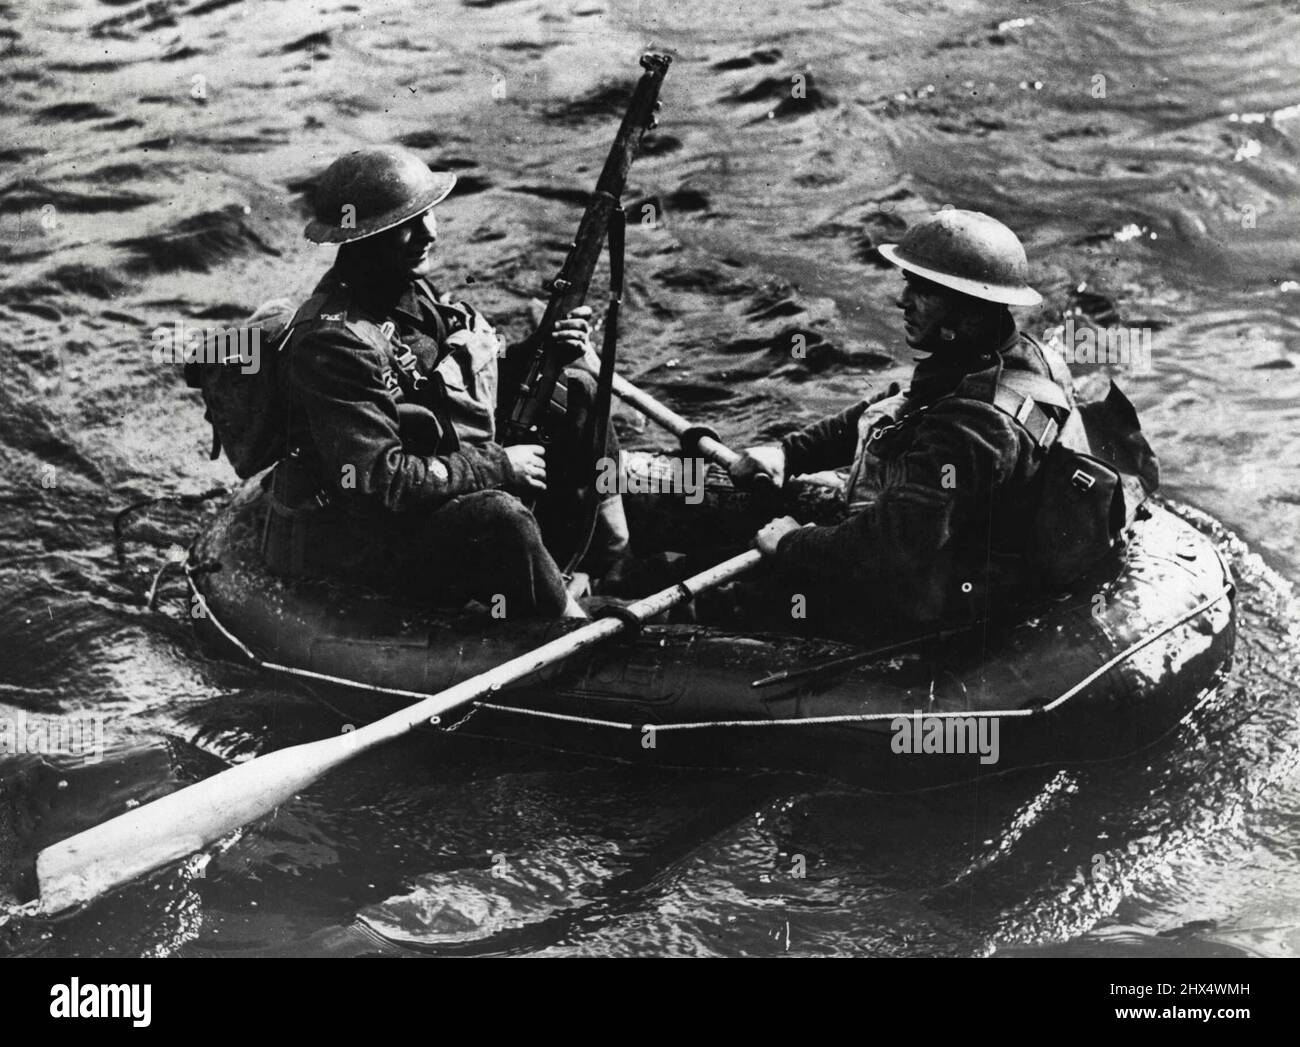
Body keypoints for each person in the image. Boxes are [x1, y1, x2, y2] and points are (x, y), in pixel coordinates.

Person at [261, 145, 628, 619]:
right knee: (498, 517)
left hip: (431, 490)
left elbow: (443, 383)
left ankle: (614, 561)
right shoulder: (333, 344)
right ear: (364, 238)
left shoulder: (410, 294)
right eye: (405, 225)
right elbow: (378, 480)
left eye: (429, 214)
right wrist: (497, 466)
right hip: (366, 547)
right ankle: (570, 631)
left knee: (578, 389)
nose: (429, 233)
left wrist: (541, 350)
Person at [729, 208, 1083, 633]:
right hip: (965, 548)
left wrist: (790, 543)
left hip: (954, 598)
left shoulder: (976, 428)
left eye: (923, 291)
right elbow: (901, 409)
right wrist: (791, 452)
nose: (903, 301)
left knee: (747, 601)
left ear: (970, 308)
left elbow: (891, 546)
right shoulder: (1005, 357)